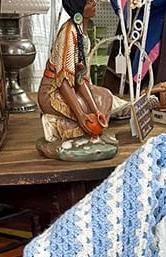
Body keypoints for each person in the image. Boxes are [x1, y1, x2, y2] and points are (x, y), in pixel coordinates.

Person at [37, 0, 116, 147]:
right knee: (85, 113)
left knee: (105, 98)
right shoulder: (68, 33)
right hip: (53, 92)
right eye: (88, 2)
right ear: (78, 7)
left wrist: (96, 111)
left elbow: (80, 80)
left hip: (73, 88)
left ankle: (90, 130)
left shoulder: (82, 34)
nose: (94, 3)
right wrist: (80, 115)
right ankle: (53, 124)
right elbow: (63, 82)